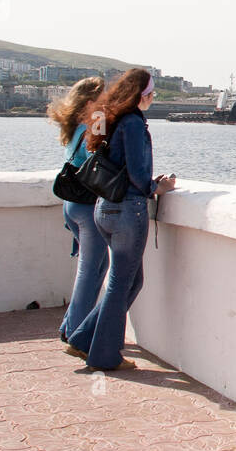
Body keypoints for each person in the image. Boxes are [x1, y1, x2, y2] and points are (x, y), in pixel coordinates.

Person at [64, 68, 176, 371]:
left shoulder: (111, 119)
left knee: (130, 280)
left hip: (104, 207)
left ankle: (84, 338)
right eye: (152, 93)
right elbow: (138, 176)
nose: (153, 98)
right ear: (143, 95)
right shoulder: (133, 124)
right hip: (128, 210)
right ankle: (104, 354)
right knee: (120, 283)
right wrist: (158, 186)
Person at [46, 76, 108, 343]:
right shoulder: (96, 122)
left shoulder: (72, 125)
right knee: (90, 269)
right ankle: (76, 334)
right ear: (92, 100)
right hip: (87, 205)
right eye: (104, 96)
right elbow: (106, 161)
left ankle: (69, 325)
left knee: (97, 266)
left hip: (71, 205)